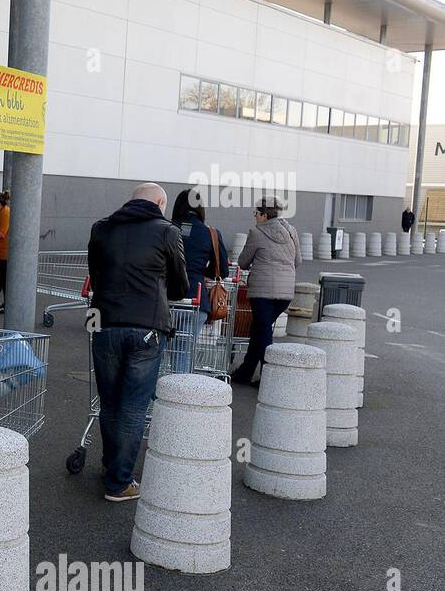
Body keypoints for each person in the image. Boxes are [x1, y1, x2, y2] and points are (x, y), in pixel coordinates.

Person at [87, 183, 189, 502]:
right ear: (160, 202)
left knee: (111, 402)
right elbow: (180, 286)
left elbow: (96, 275)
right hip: (147, 325)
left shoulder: (101, 229)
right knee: (134, 406)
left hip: (104, 322)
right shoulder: (166, 231)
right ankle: (120, 482)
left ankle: (110, 466)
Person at [231, 196, 301, 386]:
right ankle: (245, 372)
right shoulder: (291, 231)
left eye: (256, 213)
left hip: (262, 293)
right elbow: (298, 261)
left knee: (262, 333)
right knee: (259, 330)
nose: (254, 216)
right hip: (285, 293)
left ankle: (270, 377)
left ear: (263, 214)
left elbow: (243, 262)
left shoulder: (256, 232)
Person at [170, 188, 228, 374]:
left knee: (158, 350)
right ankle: (179, 396)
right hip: (196, 298)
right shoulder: (211, 233)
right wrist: (202, 270)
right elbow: (223, 270)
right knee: (183, 352)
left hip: (165, 298)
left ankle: (154, 395)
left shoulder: (165, 227)